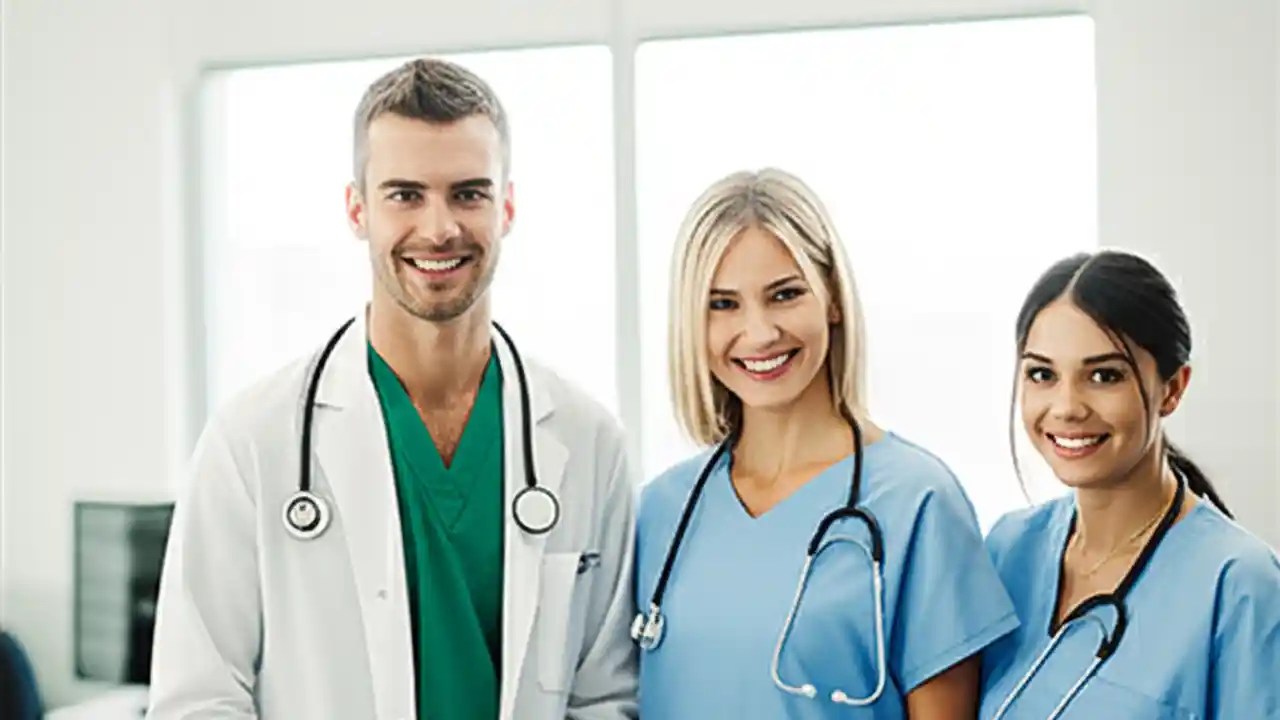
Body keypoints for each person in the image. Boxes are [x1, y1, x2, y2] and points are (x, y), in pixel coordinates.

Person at [147, 58, 638, 720]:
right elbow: (198, 699)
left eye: (468, 193)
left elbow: (605, 698)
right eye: (405, 194)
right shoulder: (253, 442)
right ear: (358, 209)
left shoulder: (587, 440)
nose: (439, 228)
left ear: (508, 206)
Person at [632, 168, 1019, 718]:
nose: (760, 332)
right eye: (723, 304)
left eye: (785, 295)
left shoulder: (917, 502)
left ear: (832, 299)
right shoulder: (659, 512)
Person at [978, 250, 1280, 719]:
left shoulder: (1240, 585)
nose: (1067, 407)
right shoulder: (1006, 550)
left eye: (1104, 376)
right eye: (1043, 374)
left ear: (1173, 388)